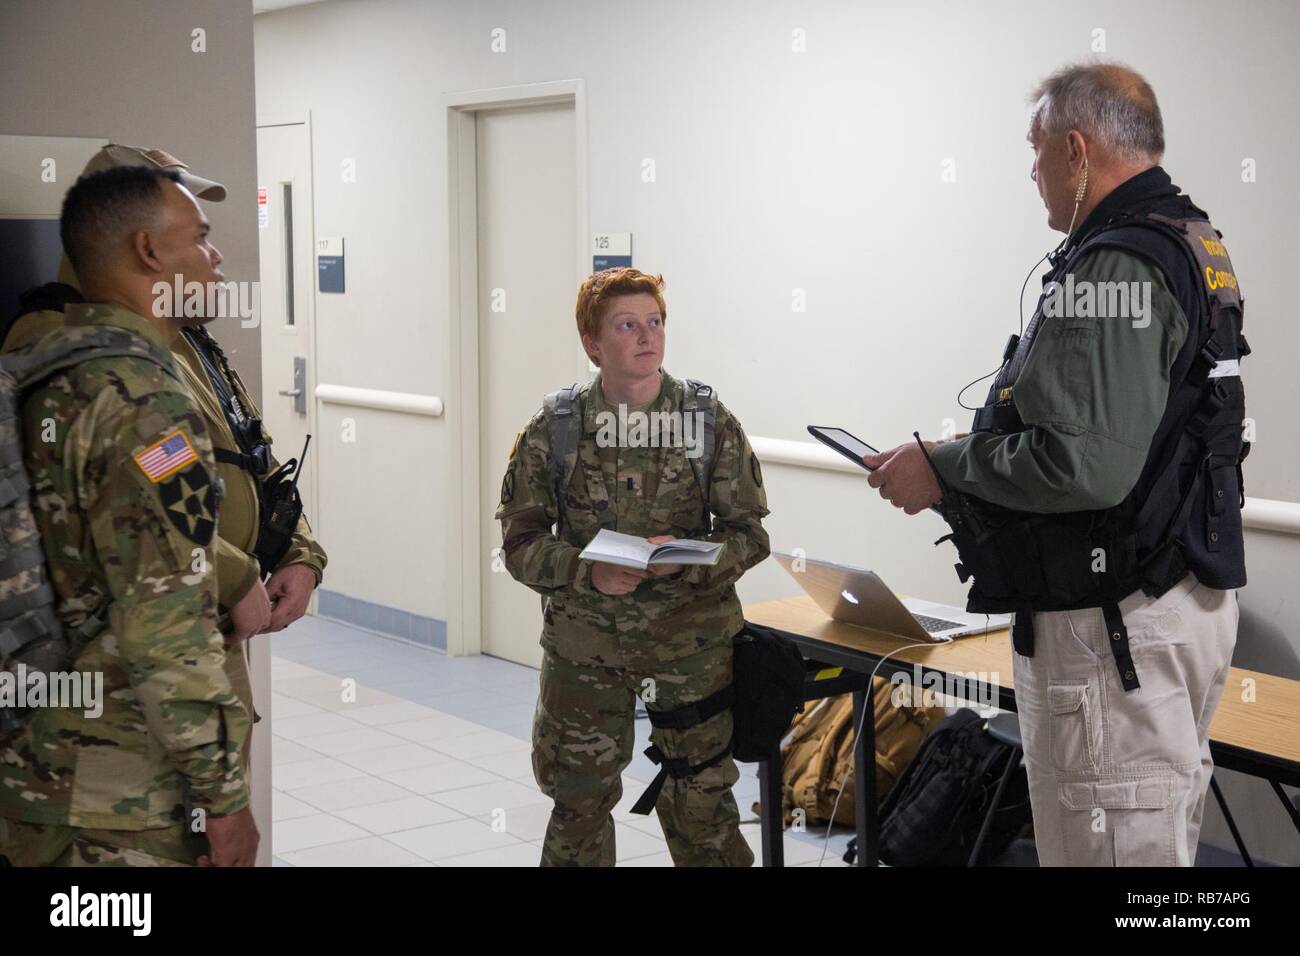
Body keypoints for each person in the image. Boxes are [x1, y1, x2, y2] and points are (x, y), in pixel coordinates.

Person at [863, 63, 1246, 866]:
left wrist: (945, 467)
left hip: (1112, 629)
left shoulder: (1114, 266)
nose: (1030, 169)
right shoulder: (1194, 242)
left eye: (1036, 149)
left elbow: (1084, 467)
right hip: (1174, 601)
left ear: (1077, 150)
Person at [4, 143, 327, 751]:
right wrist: (236, 577)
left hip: (206, 642)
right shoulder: (66, 344)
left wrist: (301, 553)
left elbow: (253, 456)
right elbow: (137, 503)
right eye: (192, 233)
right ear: (140, 242)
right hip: (124, 690)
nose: (214, 253)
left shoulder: (186, 337)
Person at [0, 166, 256, 866]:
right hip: (115, 798)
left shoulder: (43, 369)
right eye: (201, 239)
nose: (216, 256)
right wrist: (226, 800)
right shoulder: (142, 402)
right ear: (149, 252)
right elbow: (163, 625)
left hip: (34, 765)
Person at [495, 268, 770, 866]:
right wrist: (582, 570)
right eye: (627, 325)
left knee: (701, 806)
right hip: (585, 649)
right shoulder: (557, 427)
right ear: (593, 344)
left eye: (656, 322)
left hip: (690, 650)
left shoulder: (706, 420)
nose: (647, 336)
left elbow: (749, 534)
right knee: (578, 804)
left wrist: (690, 564)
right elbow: (518, 542)